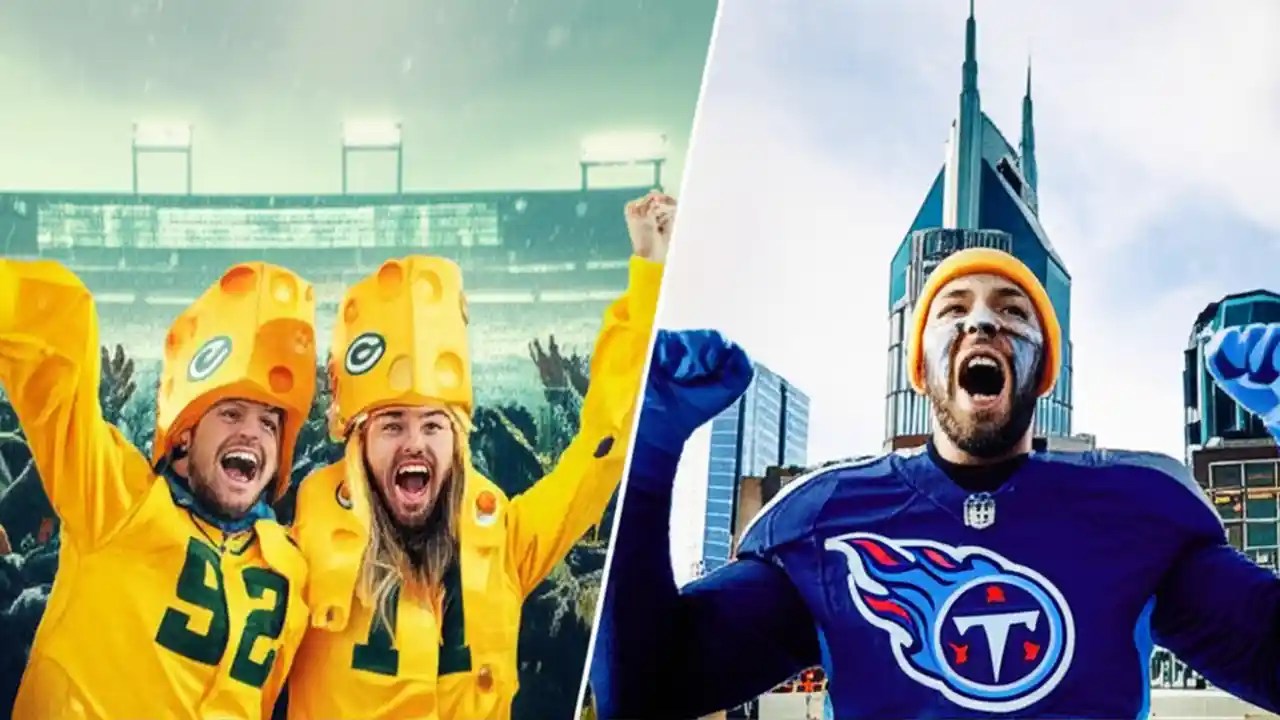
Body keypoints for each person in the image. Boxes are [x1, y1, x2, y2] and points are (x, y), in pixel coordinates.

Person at [590, 246, 1280, 719]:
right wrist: (644, 460)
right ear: (919, 367)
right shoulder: (823, 522)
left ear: (1043, 371)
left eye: (1013, 311)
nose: (983, 320)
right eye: (954, 309)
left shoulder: (1138, 511)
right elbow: (644, 692)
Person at [286, 190, 673, 720]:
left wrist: (650, 269)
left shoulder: (508, 542)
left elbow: (603, 446)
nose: (414, 442)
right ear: (359, 440)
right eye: (393, 424)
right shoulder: (300, 545)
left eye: (433, 425)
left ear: (458, 440)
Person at [0, 259, 317, 719]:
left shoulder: (292, 568)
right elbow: (54, 350)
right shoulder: (117, 497)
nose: (252, 433)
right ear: (185, 435)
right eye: (230, 414)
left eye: (269, 423)